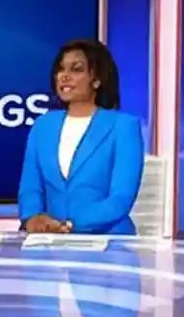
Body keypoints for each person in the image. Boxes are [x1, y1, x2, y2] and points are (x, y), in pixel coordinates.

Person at [18, 38, 144, 235]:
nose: (64, 76)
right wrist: (33, 219)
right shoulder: (43, 126)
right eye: (61, 69)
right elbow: (30, 189)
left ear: (97, 79)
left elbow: (120, 199)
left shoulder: (123, 126)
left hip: (108, 241)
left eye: (76, 69)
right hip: (50, 243)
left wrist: (68, 225)